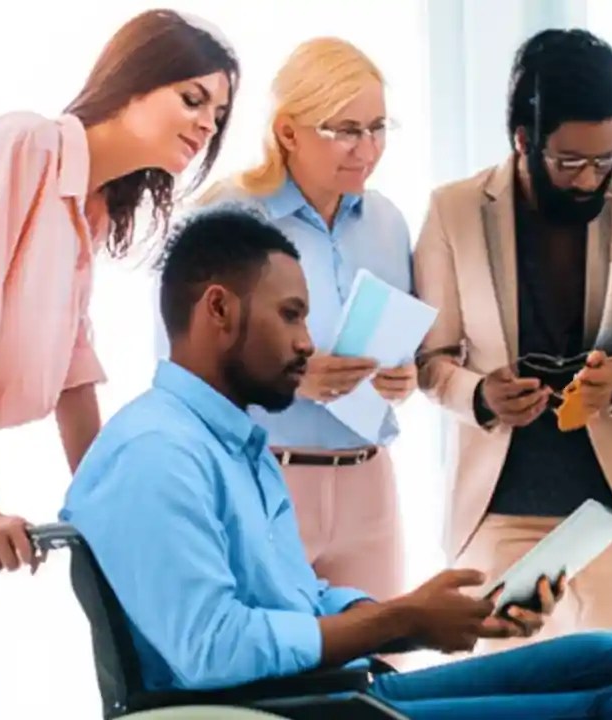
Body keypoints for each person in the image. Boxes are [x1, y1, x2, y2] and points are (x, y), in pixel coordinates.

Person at [61, 207, 612, 720]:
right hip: (287, 709)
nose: (307, 341)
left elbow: (301, 602)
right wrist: (401, 619)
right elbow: (212, 651)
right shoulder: (155, 454)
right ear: (219, 310)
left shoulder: (230, 445)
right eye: (290, 315)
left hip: (332, 690)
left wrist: (431, 614)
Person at [0, 11, 237, 720]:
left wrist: (110, 503)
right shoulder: (25, 145)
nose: (208, 123)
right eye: (192, 98)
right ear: (131, 83)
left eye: (219, 112)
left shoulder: (89, 205)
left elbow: (72, 367)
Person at [413, 28, 612, 652]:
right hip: (499, 511)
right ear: (523, 138)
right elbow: (429, 362)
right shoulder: (453, 212)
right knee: (502, 701)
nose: (590, 179)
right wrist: (481, 394)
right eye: (570, 162)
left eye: (606, 159)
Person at [183, 37, 413, 601]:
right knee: (277, 674)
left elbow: (408, 345)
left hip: (369, 484)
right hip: (266, 481)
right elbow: (185, 374)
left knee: (378, 672)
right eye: (346, 130)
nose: (367, 149)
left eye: (378, 127)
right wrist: (291, 379)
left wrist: (404, 378)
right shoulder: (228, 217)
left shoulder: (388, 222)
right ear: (288, 132)